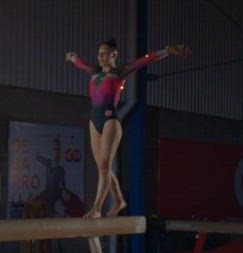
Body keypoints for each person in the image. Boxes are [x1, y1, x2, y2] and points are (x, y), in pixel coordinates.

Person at [66, 37, 188, 219]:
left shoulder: (120, 71)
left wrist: (167, 51)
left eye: (104, 53)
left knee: (105, 165)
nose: (100, 57)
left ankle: (96, 208)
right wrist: (73, 57)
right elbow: (81, 64)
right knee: (102, 167)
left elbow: (144, 60)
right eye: (99, 54)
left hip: (110, 121)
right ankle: (119, 201)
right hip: (94, 121)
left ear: (114, 54)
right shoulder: (94, 71)